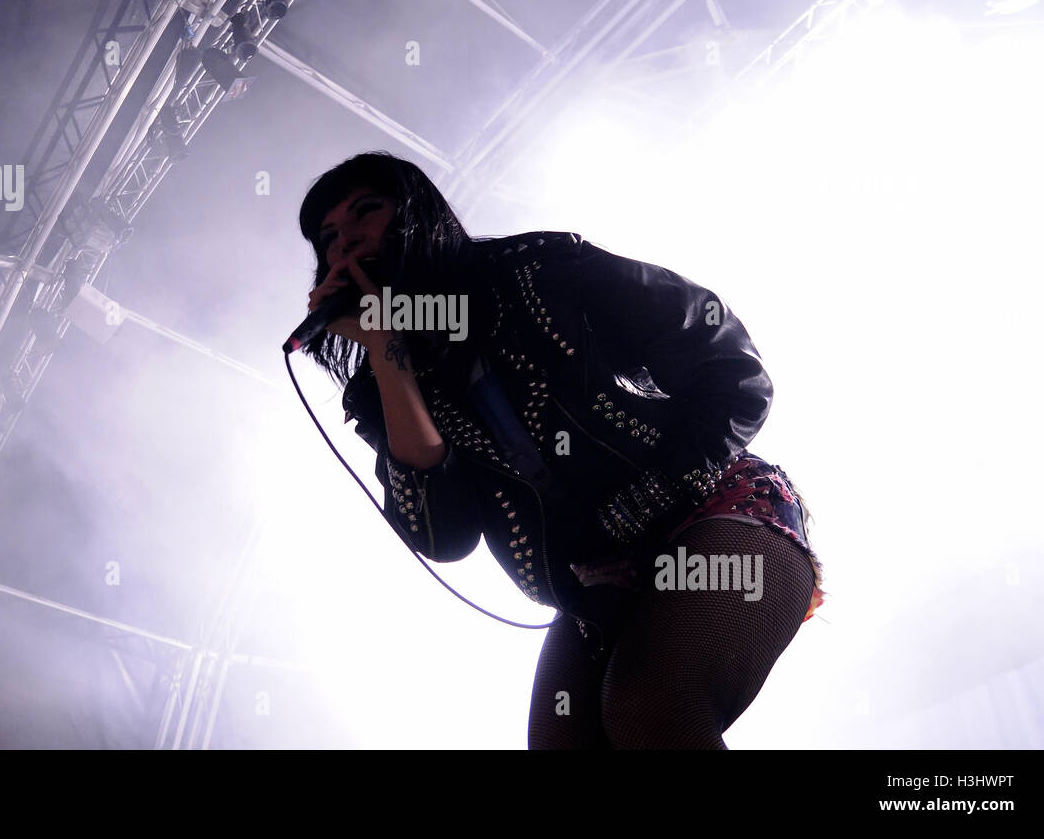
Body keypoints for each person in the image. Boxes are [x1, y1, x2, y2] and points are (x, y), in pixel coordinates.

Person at [297, 150, 826, 749]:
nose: (347, 243)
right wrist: (387, 356)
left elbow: (731, 370)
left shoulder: (539, 269)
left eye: (367, 212)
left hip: (713, 509)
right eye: (330, 238)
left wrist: (642, 505)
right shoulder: (379, 385)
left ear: (417, 214)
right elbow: (443, 536)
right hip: (595, 582)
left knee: (649, 706)